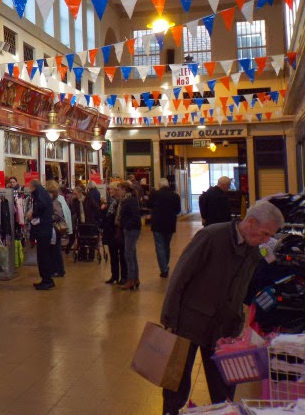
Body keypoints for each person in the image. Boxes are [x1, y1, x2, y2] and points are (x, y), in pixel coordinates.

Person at [160, 201, 284, 415]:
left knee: (224, 387)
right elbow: (180, 277)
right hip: (188, 323)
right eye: (264, 234)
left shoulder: (254, 250)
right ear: (251, 222)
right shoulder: (211, 236)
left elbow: (245, 287)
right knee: (176, 384)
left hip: (224, 328)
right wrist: (169, 320)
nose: (266, 240)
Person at [147, 178, 181, 278]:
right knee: (166, 245)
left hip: (157, 223)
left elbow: (148, 205)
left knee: (159, 246)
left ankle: (164, 269)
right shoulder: (175, 196)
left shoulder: (154, 194)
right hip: (170, 223)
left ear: (159, 185)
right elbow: (178, 210)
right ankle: (165, 264)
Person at [28, 179, 55, 290]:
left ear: (33, 187)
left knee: (43, 257)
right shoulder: (43, 194)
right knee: (44, 256)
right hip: (45, 229)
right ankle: (47, 279)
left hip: (43, 230)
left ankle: (46, 281)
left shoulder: (39, 195)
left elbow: (41, 206)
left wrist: (33, 214)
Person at [116, 181, 142, 290]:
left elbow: (134, 216)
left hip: (131, 230)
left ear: (124, 190)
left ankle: (131, 279)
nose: (118, 191)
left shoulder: (130, 201)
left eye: (119, 189)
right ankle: (135, 278)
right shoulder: (129, 200)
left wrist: (127, 225)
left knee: (129, 255)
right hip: (131, 229)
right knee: (132, 254)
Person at [101, 181, 126, 284]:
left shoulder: (120, 202)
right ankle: (114, 276)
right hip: (111, 233)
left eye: (111, 189)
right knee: (113, 255)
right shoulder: (111, 202)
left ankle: (123, 277)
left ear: (116, 190)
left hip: (118, 232)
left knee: (122, 256)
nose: (109, 190)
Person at [45, 180, 71, 277]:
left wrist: (47, 218)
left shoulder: (55, 202)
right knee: (55, 250)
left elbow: (58, 215)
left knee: (55, 250)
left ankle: (58, 270)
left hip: (55, 229)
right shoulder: (57, 200)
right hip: (56, 229)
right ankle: (57, 269)